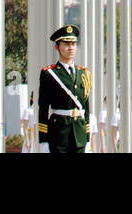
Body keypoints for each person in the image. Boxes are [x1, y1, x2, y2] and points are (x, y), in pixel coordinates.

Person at [36, 24, 91, 154]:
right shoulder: (49, 73)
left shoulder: (84, 73)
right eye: (66, 44)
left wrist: (87, 136)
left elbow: (86, 106)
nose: (70, 47)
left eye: (73, 43)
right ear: (57, 47)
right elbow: (43, 108)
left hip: (79, 132)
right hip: (59, 132)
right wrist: (43, 140)